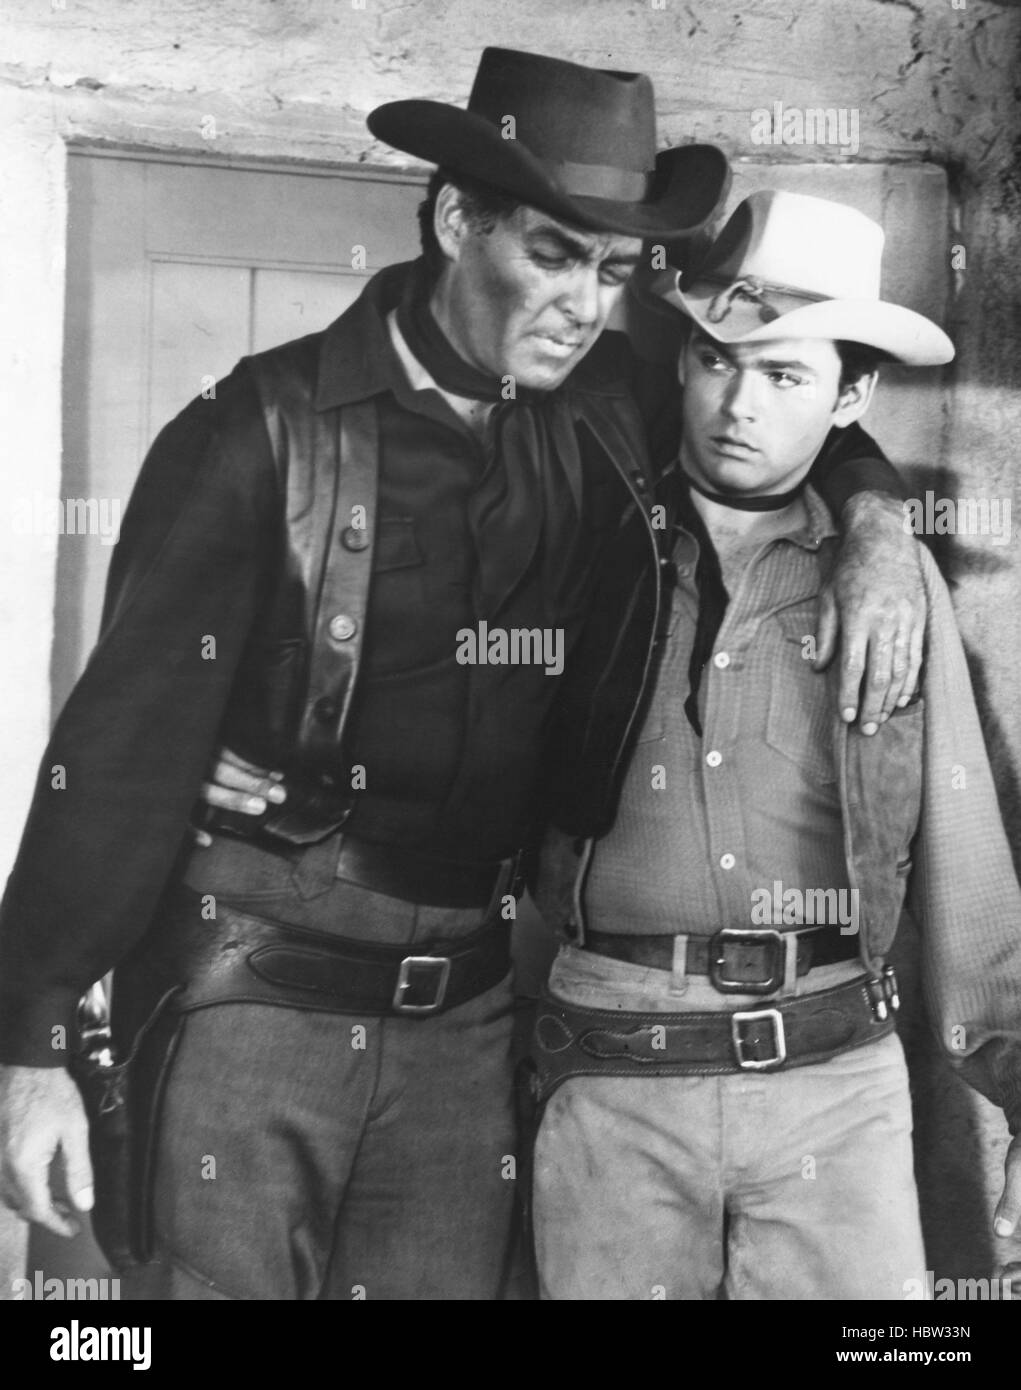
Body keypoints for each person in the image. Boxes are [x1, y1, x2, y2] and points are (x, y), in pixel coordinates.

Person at [0, 50, 920, 1302]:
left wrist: (875, 524)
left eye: (611, 270)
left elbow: (793, 403)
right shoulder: (261, 430)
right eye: (552, 253)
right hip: (255, 982)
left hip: (472, 1015)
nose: (586, 304)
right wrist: (34, 1042)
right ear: (454, 219)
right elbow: (112, 753)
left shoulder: (607, 405)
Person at [527, 189, 1021, 1300]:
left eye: (785, 375)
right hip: (610, 1069)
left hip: (834, 1083)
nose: (737, 402)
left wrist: (1014, 1072)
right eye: (714, 361)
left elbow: (959, 836)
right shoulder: (578, 538)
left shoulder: (891, 586)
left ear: (850, 396)